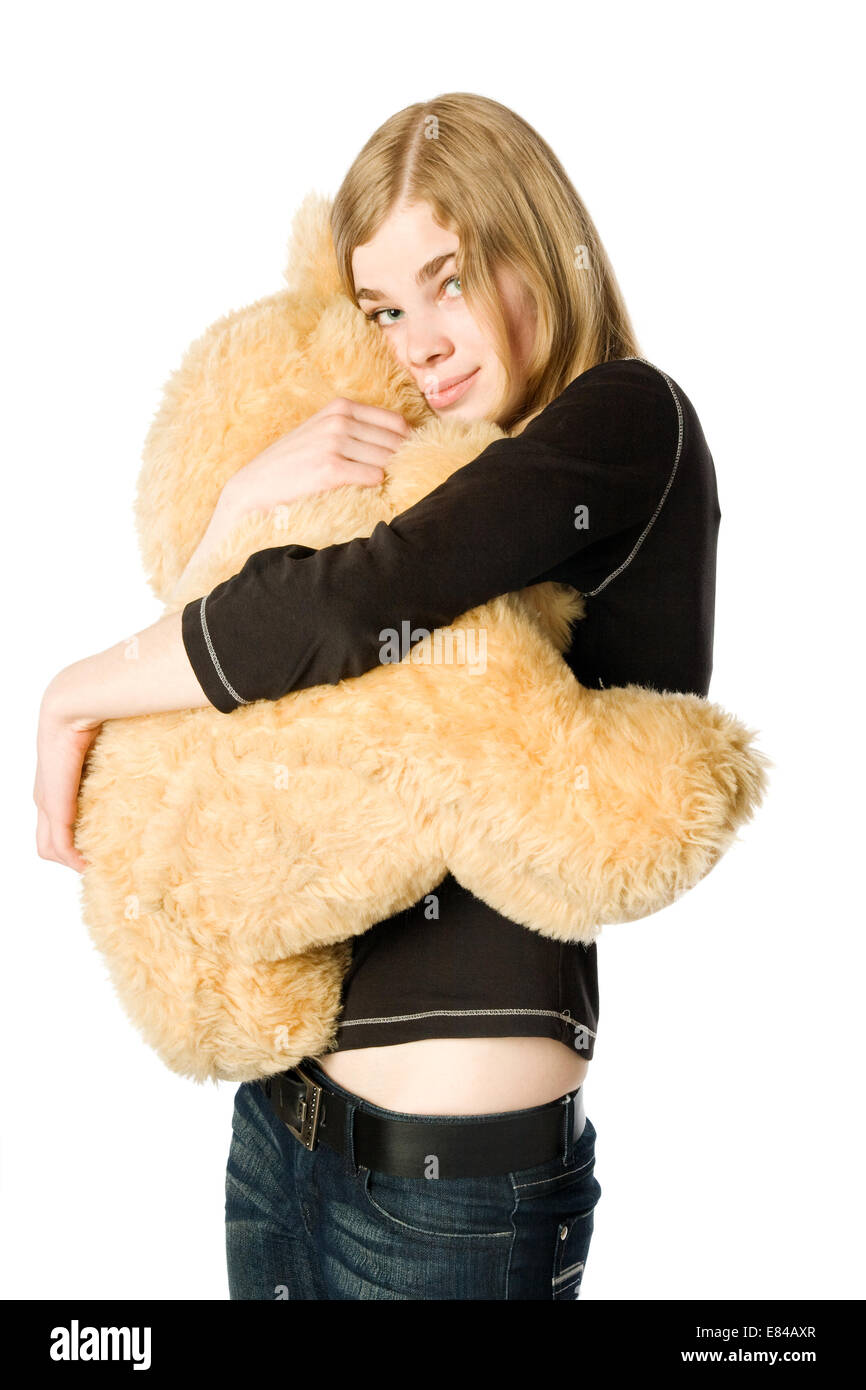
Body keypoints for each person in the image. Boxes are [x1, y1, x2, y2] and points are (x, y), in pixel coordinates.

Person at [34, 92, 720, 1300]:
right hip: (281, 1133)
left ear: (534, 237)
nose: (422, 340)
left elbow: (347, 605)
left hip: (450, 1197)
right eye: (386, 308)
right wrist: (243, 502)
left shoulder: (622, 422)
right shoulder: (415, 458)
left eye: (450, 280)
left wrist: (70, 694)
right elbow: (254, 663)